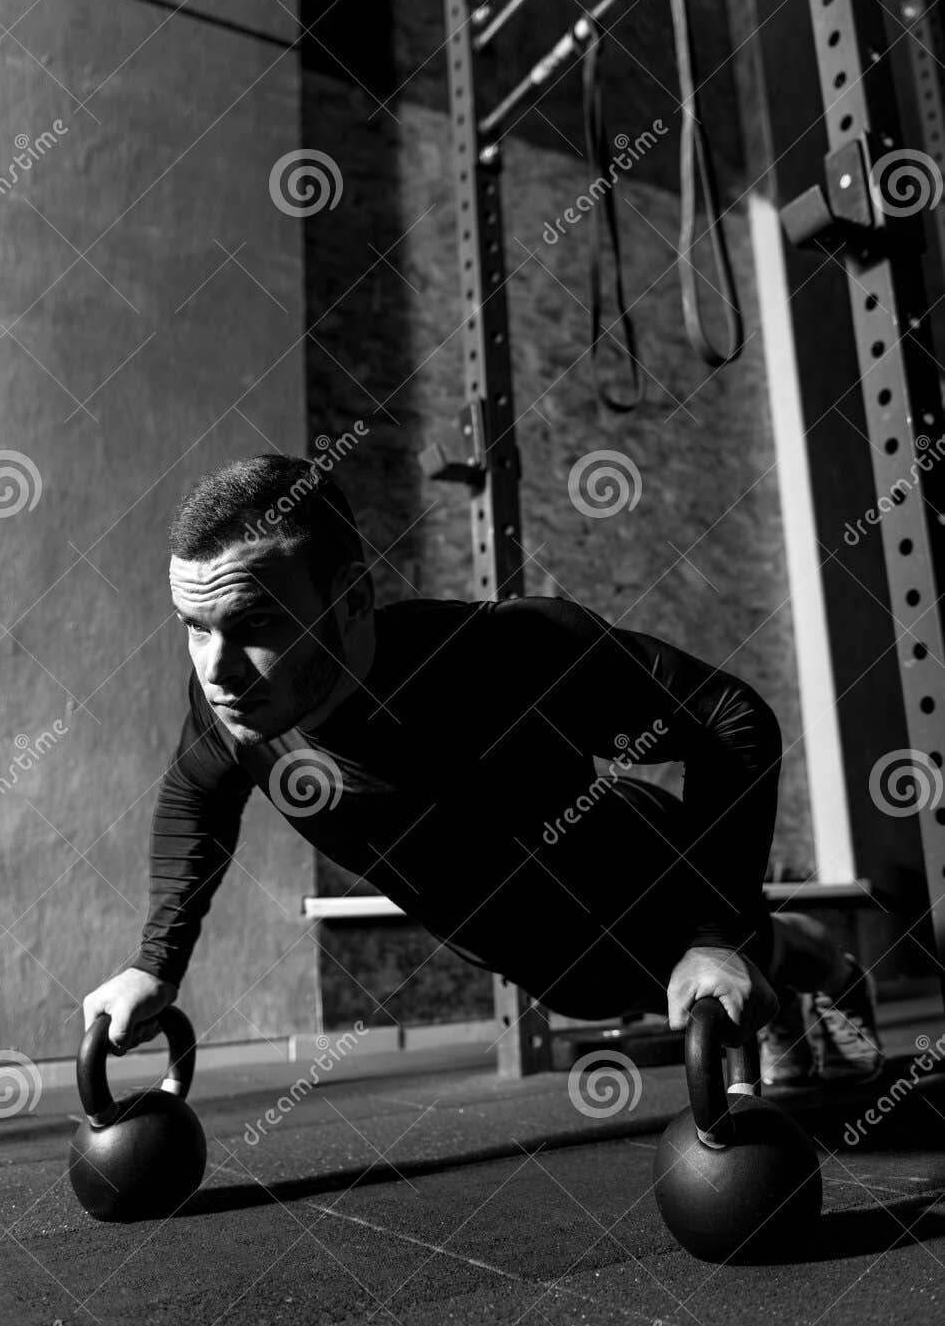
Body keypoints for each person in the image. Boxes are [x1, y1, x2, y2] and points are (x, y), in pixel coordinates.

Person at [82, 454, 883, 1087]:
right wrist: (155, 964)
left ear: (352, 599)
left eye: (255, 622)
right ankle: (769, 985)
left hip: (634, 873)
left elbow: (729, 717)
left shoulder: (505, 652)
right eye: (194, 627)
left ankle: (835, 978)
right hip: (546, 958)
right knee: (602, 989)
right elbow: (196, 794)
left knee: (734, 952)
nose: (217, 668)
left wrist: (714, 934)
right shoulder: (233, 707)